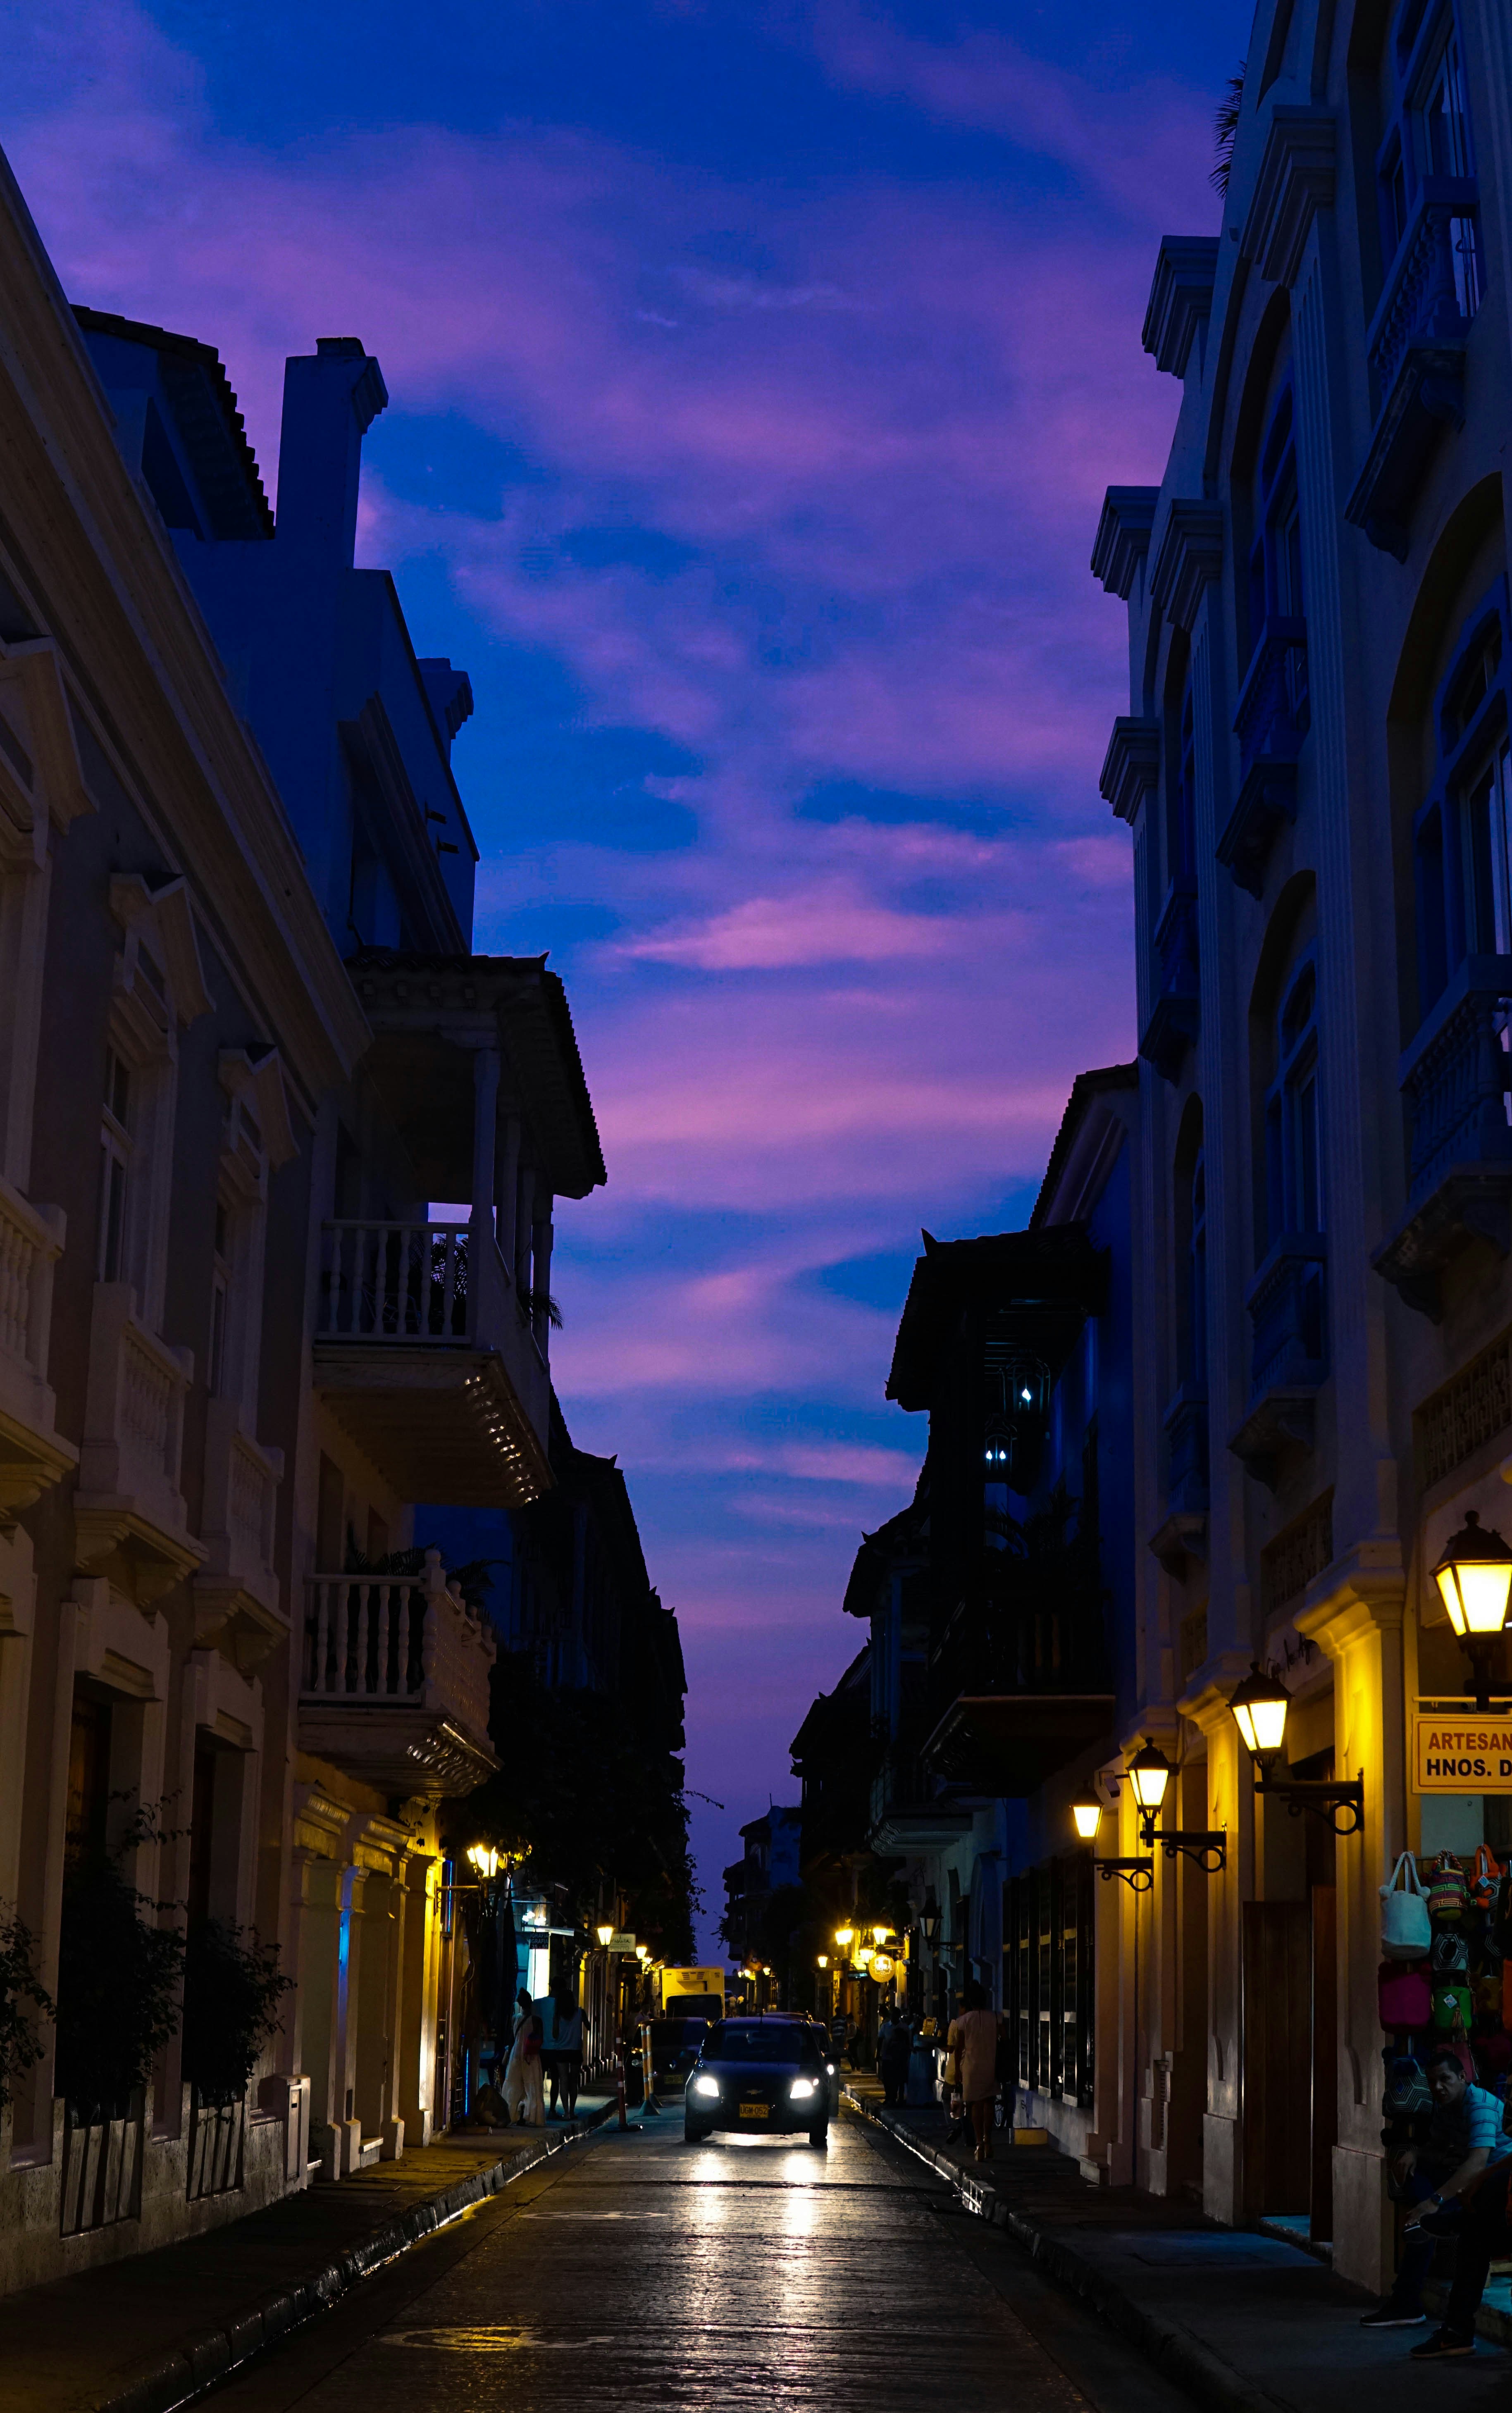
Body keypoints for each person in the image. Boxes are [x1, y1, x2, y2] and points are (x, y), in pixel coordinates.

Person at [1361, 2045, 1512, 2341]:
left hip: (1491, 2182)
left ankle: (1412, 2297)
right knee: (1417, 2180)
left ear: (1463, 2077)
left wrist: (1435, 2201)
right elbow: (1436, 2148)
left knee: (1439, 2219)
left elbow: (1477, 2163)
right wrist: (1415, 2153)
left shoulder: (1479, 2105)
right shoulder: (1446, 2108)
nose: (1438, 2087)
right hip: (1470, 2177)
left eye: (1445, 2080)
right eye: (1432, 2082)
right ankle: (1435, 2227)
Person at [947, 1980, 1001, 2163]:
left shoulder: (964, 2021)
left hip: (970, 2067)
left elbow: (959, 2048)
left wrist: (958, 2073)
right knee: (989, 2104)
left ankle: (979, 2144)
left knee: (975, 2106)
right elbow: (1005, 2041)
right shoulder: (996, 2017)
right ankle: (988, 2141)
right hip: (991, 2065)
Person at [501, 1986, 545, 2127]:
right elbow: (540, 2039)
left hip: (515, 2055)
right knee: (532, 2086)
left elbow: (511, 2039)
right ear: (531, 2003)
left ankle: (513, 2114)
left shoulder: (515, 2019)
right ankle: (531, 2116)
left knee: (514, 2085)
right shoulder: (537, 2021)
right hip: (531, 2056)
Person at [549, 1986, 584, 2121]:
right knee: (573, 2081)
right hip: (575, 2050)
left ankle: (566, 2113)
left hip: (562, 2051)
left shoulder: (558, 2015)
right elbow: (588, 2026)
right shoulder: (580, 2013)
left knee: (563, 2081)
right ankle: (573, 2111)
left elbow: (555, 2034)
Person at [879, 2010, 911, 2108]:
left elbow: (908, 2042)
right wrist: (878, 2054)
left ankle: (899, 2098)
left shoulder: (904, 2028)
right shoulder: (885, 2027)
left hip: (900, 2058)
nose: (894, 2017)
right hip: (887, 2056)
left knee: (899, 2079)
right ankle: (889, 2097)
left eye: (896, 2015)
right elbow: (880, 2040)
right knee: (887, 2078)